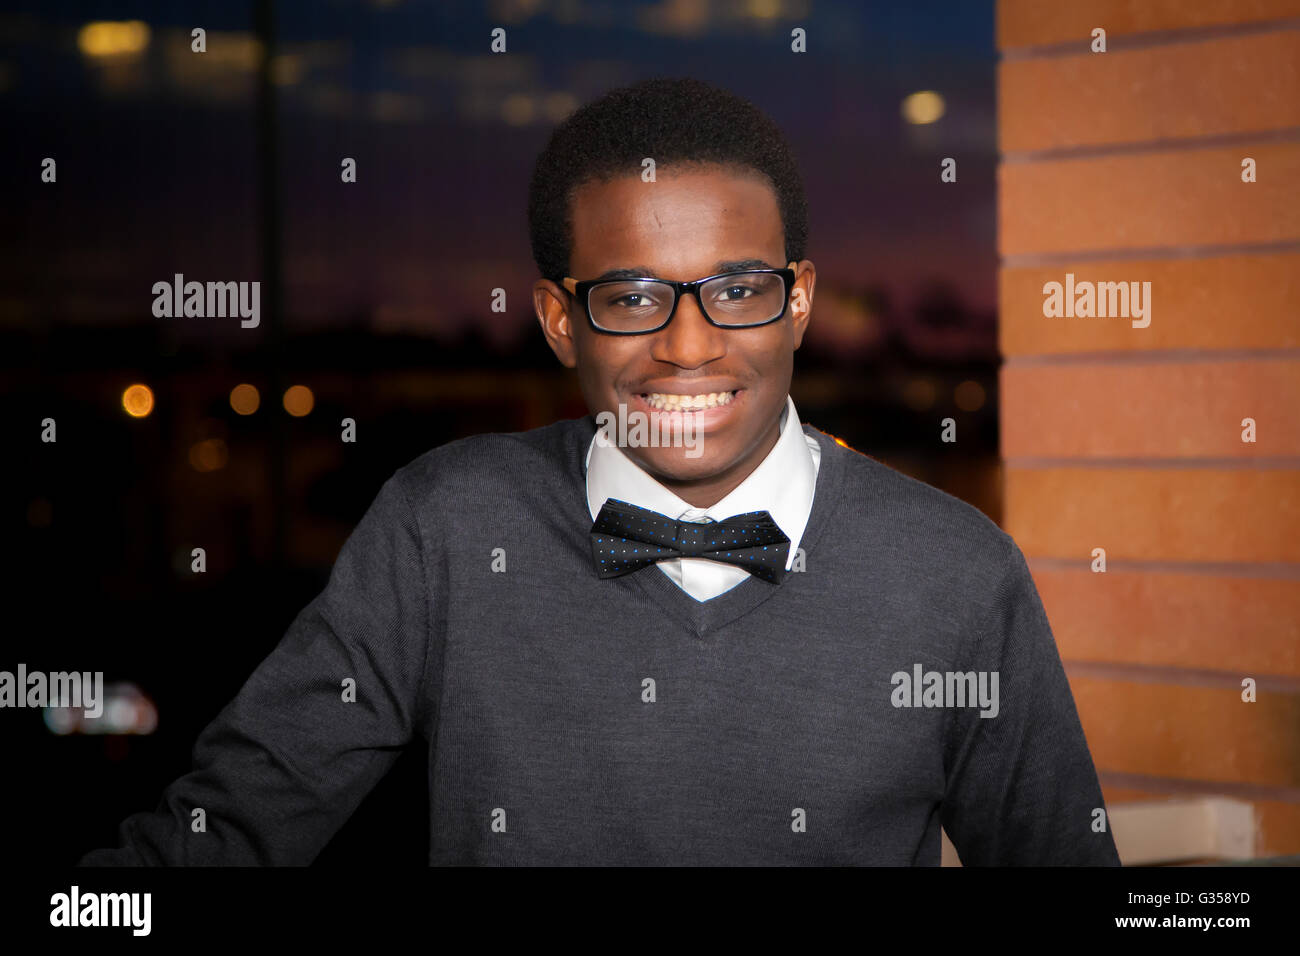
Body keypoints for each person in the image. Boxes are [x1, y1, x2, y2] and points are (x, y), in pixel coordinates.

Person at [82, 76, 1119, 866]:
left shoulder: (957, 573)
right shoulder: (442, 527)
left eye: (736, 290)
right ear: (555, 320)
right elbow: (221, 834)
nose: (687, 346)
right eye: (630, 297)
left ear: (799, 299)